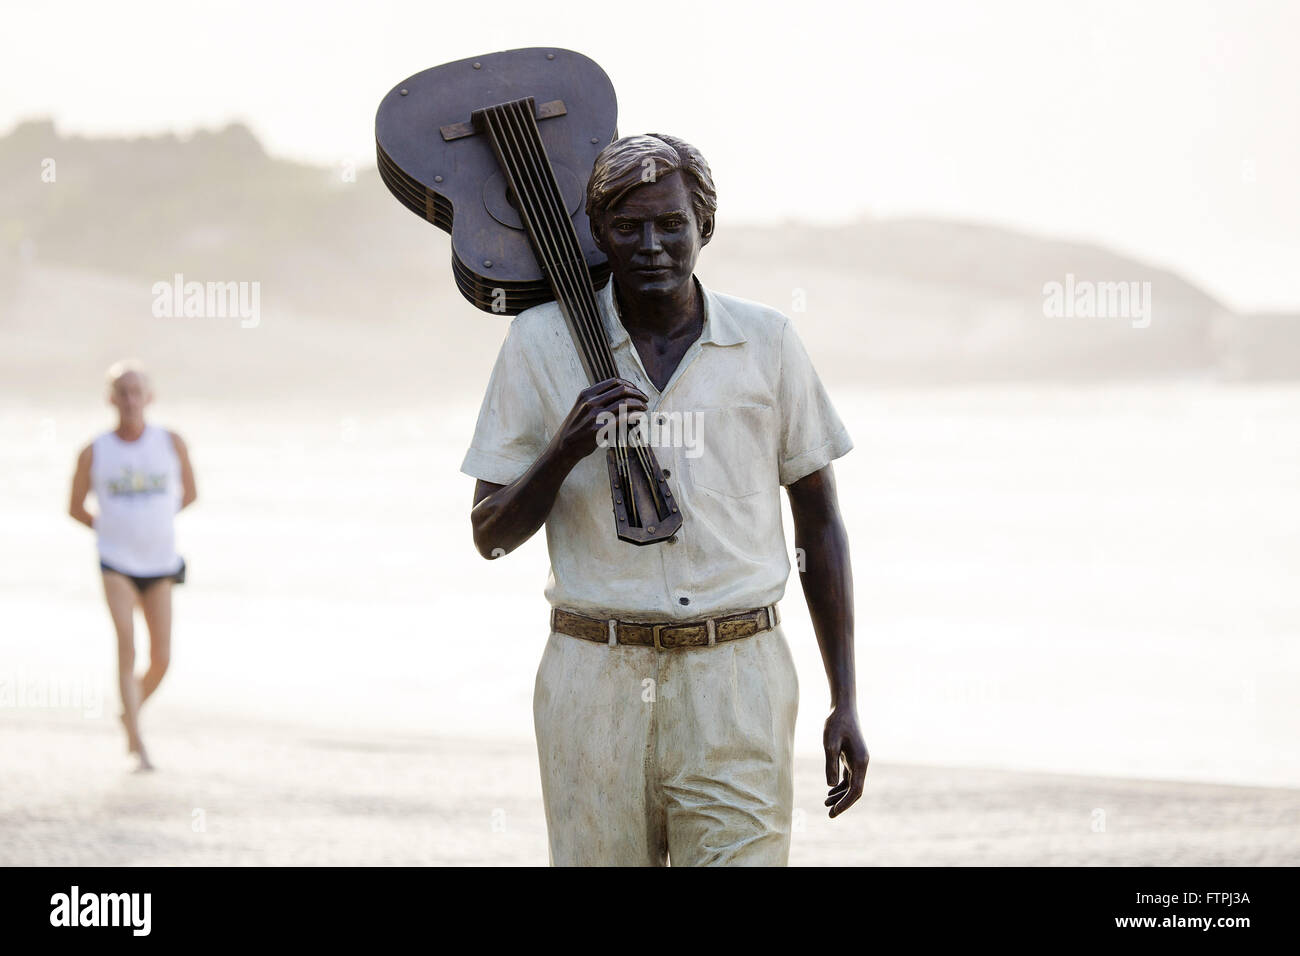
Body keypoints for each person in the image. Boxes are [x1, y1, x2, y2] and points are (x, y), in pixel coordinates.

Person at [462, 134, 867, 866]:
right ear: (596, 233)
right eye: (628, 226)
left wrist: (847, 697)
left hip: (738, 675)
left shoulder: (766, 343)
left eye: (672, 224)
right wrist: (565, 449)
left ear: (703, 227)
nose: (652, 244)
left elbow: (821, 521)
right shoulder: (540, 342)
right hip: (594, 678)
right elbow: (488, 535)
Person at [68, 361, 197, 771]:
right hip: (115, 563)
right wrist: (111, 532)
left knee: (162, 658)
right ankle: (137, 743)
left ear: (149, 397)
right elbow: (74, 508)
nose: (129, 399)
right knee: (127, 644)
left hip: (160, 562)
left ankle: (130, 709)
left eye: (136, 391)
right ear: (111, 399)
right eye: (122, 391)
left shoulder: (170, 443)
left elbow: (190, 494)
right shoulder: (95, 451)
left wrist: (152, 522)